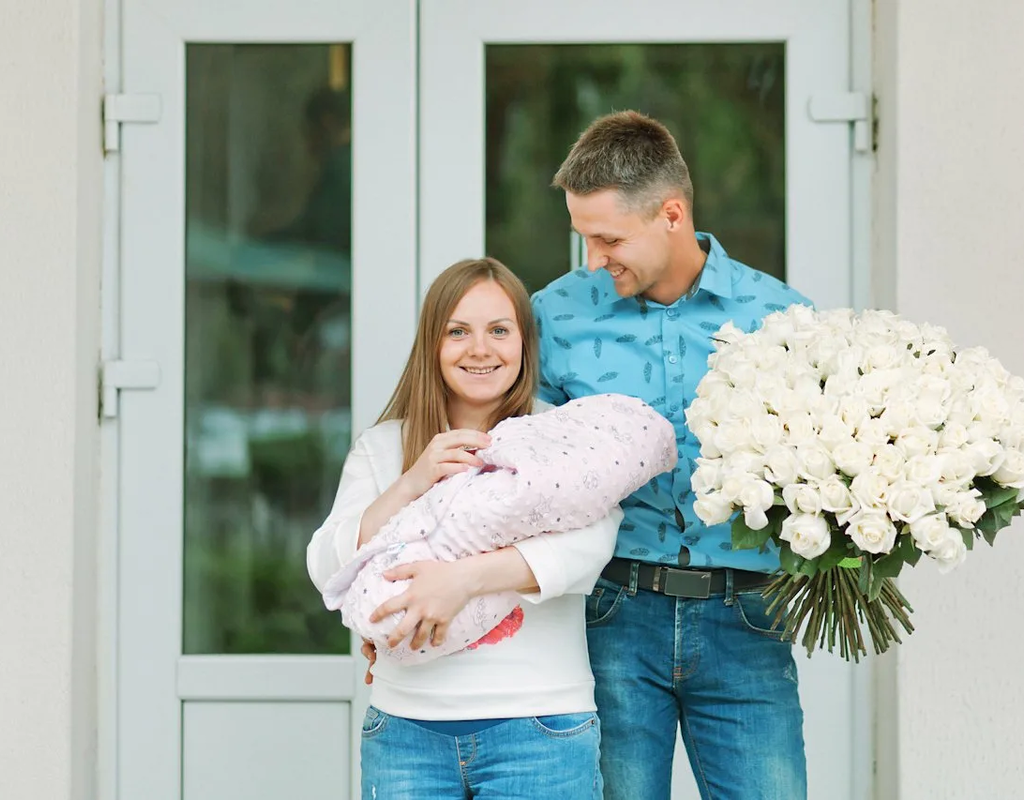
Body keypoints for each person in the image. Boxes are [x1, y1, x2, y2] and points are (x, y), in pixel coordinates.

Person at [532, 110, 813, 800]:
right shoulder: (554, 316)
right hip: (612, 616)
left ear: (671, 214)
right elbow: (519, 472)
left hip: (749, 617)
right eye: (583, 238)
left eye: (607, 239)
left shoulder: (781, 318)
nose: (594, 259)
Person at [307, 257, 618, 799]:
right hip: (405, 732)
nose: (480, 349)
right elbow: (327, 566)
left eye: (500, 330)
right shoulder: (384, 447)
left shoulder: (562, 437)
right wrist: (413, 481)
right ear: (433, 345)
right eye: (458, 332)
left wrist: (462, 582)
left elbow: (586, 552)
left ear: (524, 343)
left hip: (541, 727)